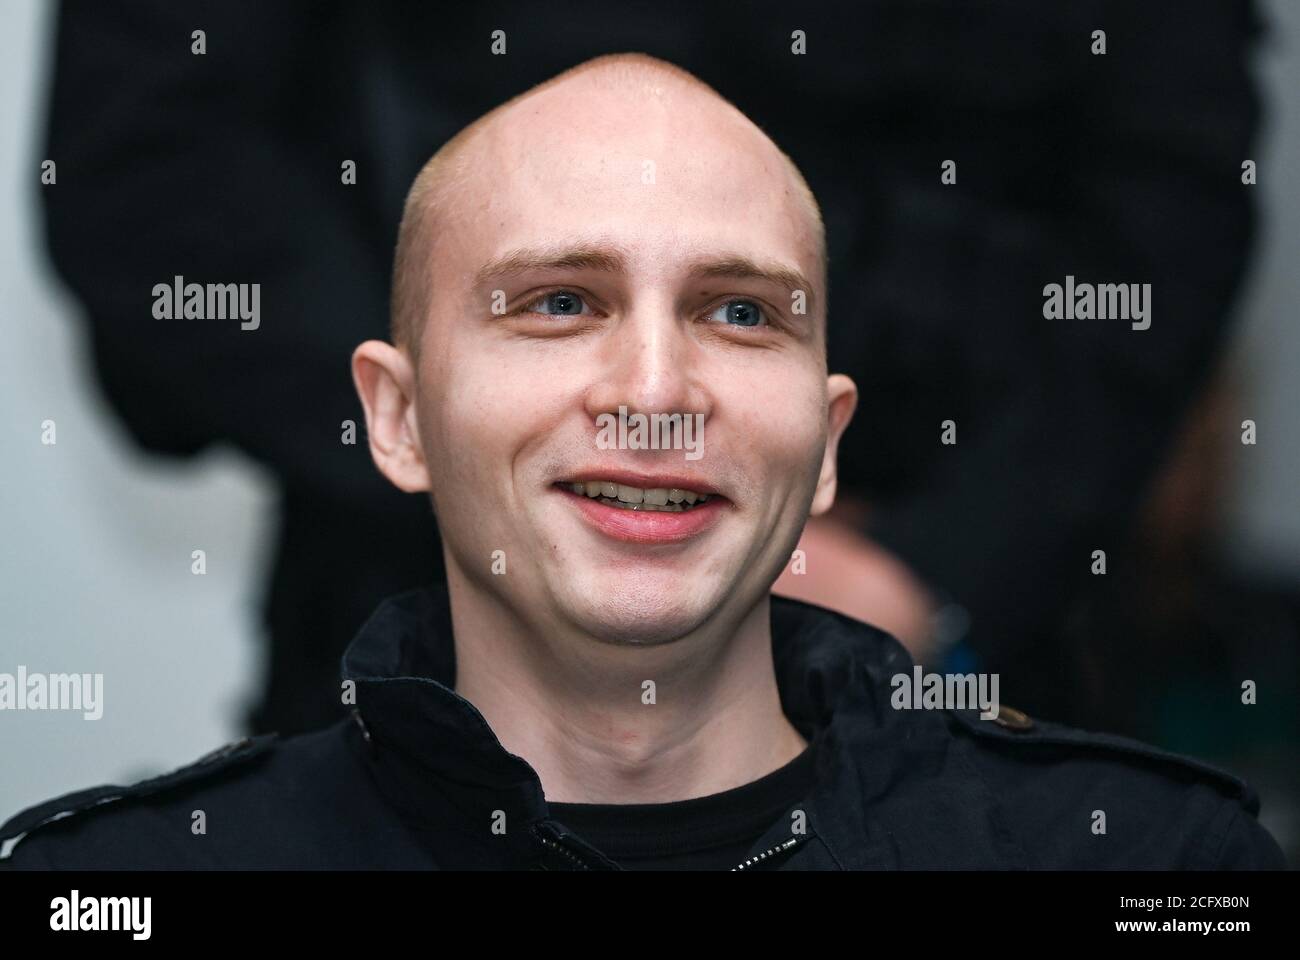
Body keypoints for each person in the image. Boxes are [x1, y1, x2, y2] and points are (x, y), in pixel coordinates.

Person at [2, 54, 1281, 871]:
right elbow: (149, 163)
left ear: (827, 440)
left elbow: (1166, 199)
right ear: (395, 417)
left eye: (739, 313)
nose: (657, 395)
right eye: (557, 304)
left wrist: (952, 555)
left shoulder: (1158, 871)